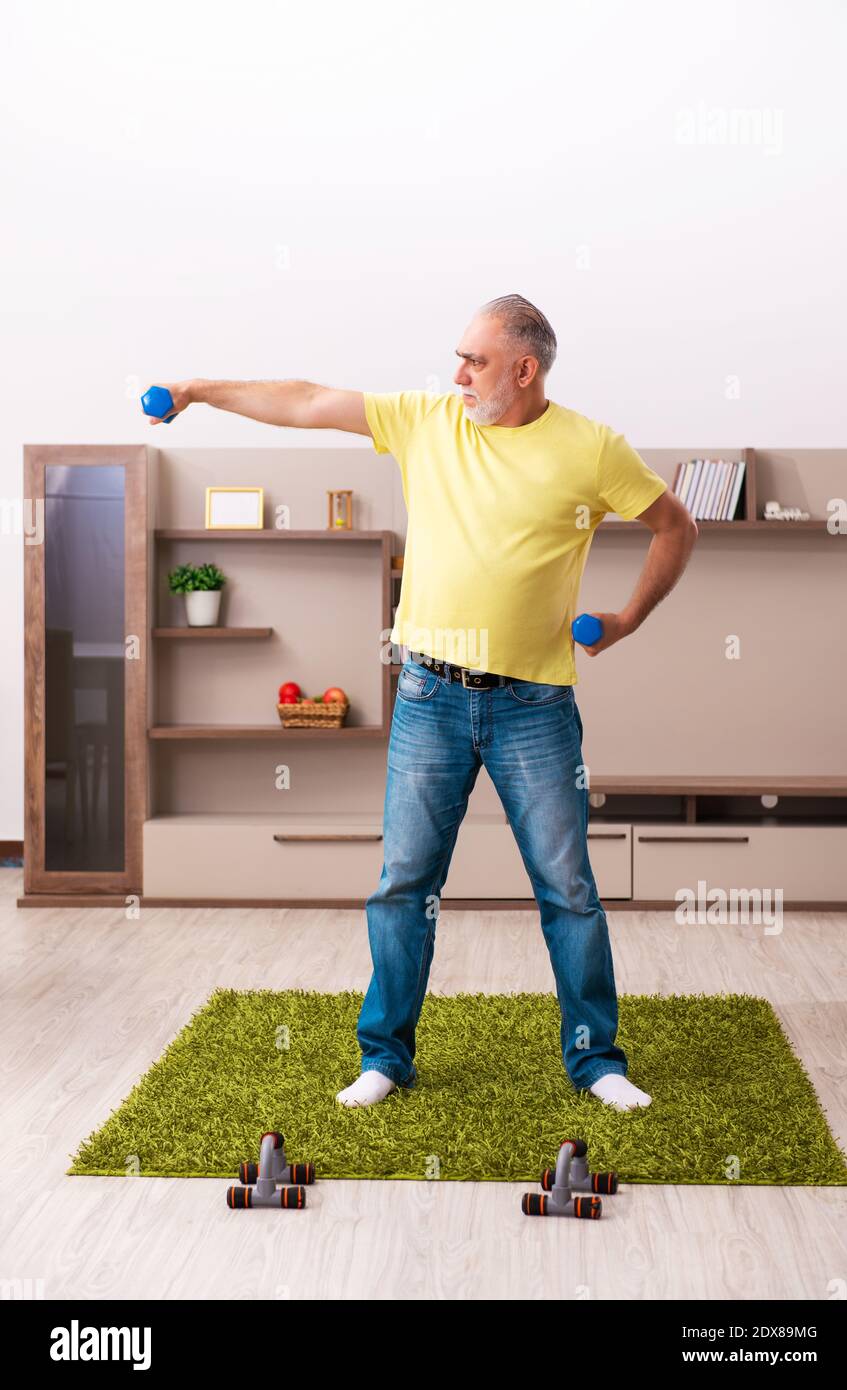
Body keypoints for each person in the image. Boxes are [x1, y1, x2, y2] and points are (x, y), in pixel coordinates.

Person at [146, 293, 697, 1112]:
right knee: (403, 883)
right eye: (458, 358)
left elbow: (675, 527)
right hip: (428, 695)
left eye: (474, 361)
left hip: (534, 705)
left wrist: (622, 621)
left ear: (524, 368)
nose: (457, 374)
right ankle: (385, 1057)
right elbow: (303, 399)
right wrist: (197, 389)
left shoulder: (591, 448)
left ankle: (595, 1061)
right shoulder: (425, 420)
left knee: (567, 887)